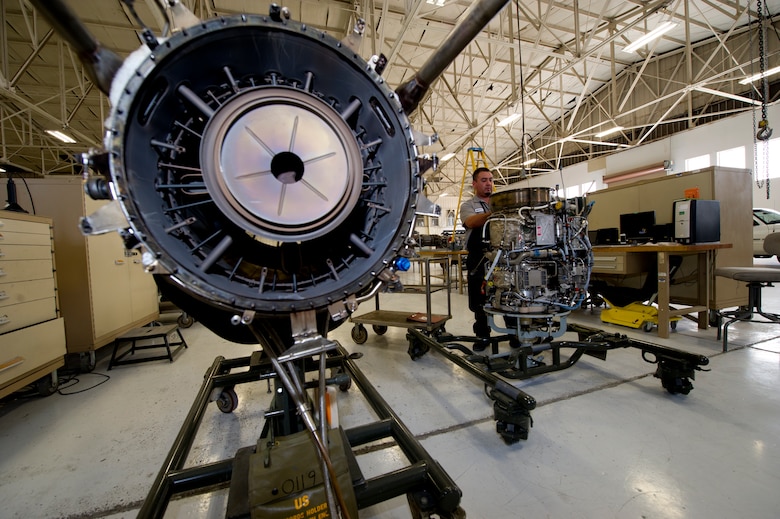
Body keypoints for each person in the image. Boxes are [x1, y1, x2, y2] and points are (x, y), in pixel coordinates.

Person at [460, 167, 494, 349]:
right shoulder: (468, 205)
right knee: (480, 300)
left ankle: (514, 333)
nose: (488, 183)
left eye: (490, 180)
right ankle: (482, 335)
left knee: (507, 295)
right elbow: (471, 222)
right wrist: (494, 213)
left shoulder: (500, 202)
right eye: (484, 180)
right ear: (474, 184)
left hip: (501, 257)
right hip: (479, 258)